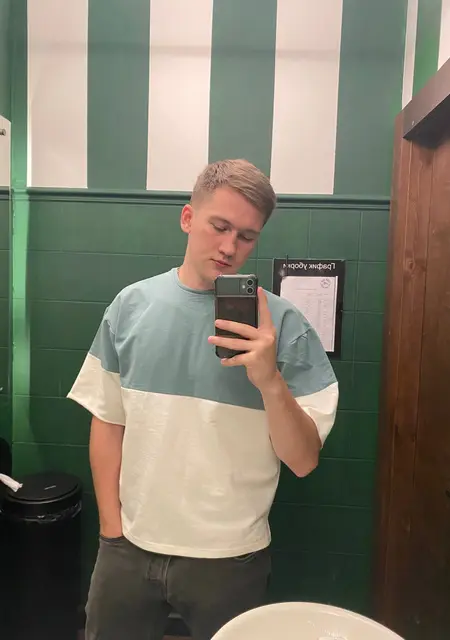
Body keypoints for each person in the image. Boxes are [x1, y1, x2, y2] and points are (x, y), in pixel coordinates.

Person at [68, 159, 339, 640]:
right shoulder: (130, 306)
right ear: (188, 218)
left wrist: (270, 381)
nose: (230, 247)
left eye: (247, 236)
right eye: (220, 226)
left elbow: (303, 461)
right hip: (130, 546)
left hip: (231, 558)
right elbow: (108, 421)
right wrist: (112, 529)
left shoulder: (285, 326)